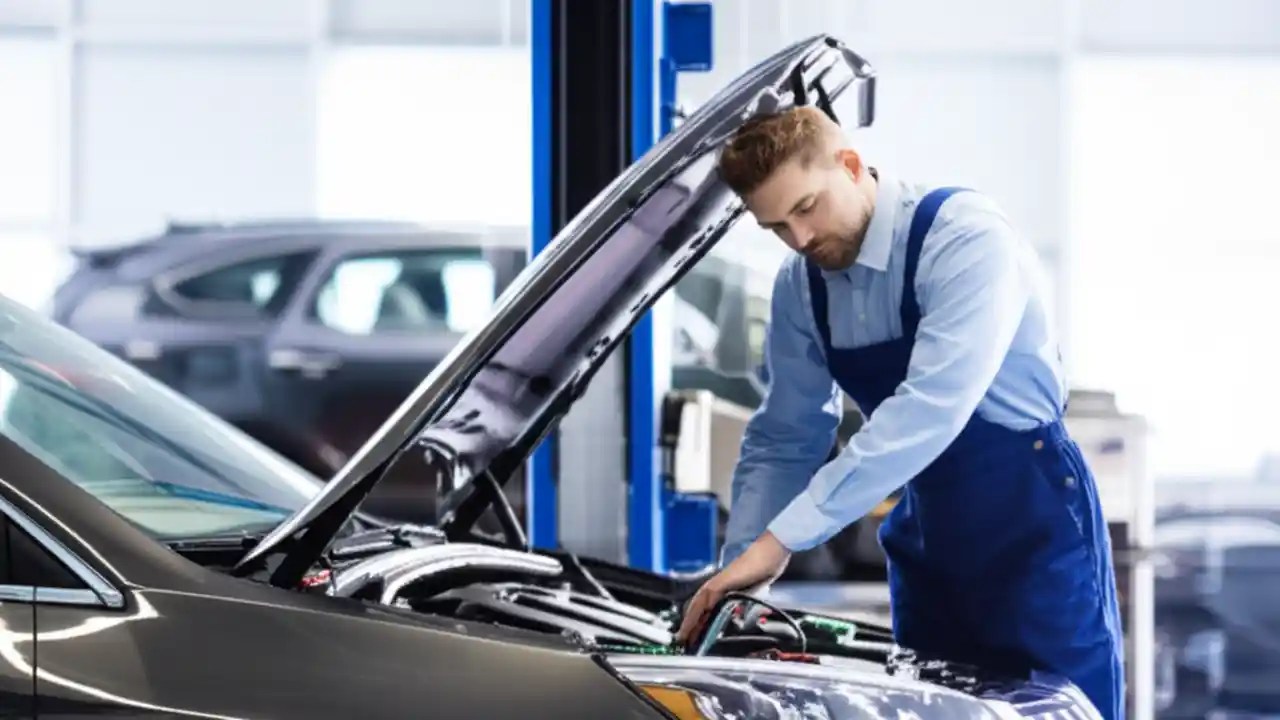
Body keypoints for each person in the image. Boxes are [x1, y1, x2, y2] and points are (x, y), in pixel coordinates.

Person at [672, 106, 1125, 719]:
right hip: (930, 541)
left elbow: (930, 411)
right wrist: (739, 578)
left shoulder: (965, 238)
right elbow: (786, 434)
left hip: (1034, 533)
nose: (800, 239)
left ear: (851, 165)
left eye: (806, 208)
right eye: (776, 226)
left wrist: (782, 540)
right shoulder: (801, 286)